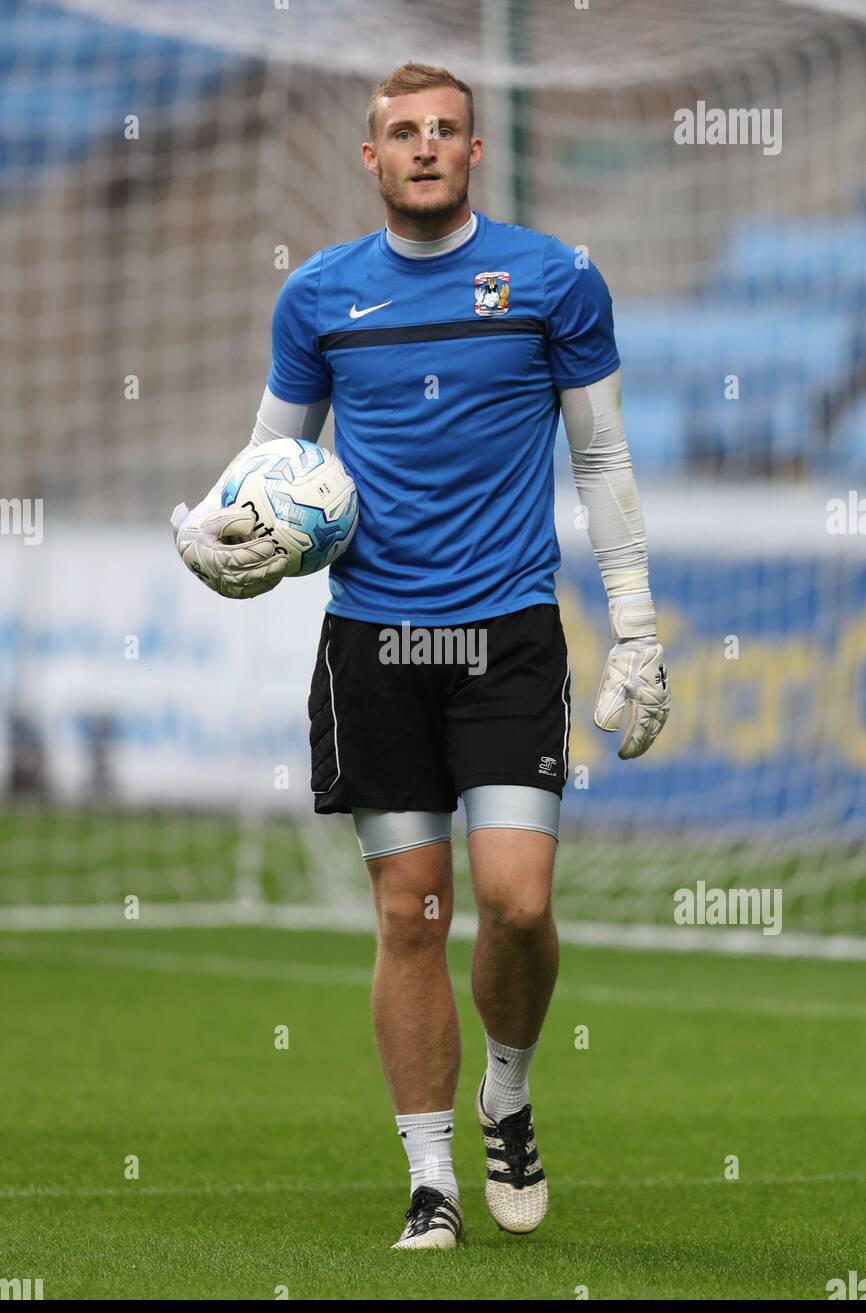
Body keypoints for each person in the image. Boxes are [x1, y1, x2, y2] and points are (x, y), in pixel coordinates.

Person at [171, 61, 670, 1251]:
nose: (427, 145)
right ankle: (430, 1178)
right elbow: (267, 463)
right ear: (371, 159)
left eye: (447, 128)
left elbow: (599, 463)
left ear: (474, 151)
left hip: (505, 635)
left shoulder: (553, 279)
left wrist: (637, 630)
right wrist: (215, 529)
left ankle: (506, 1086)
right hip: (373, 647)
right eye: (404, 131)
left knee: (513, 900)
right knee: (411, 915)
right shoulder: (317, 297)